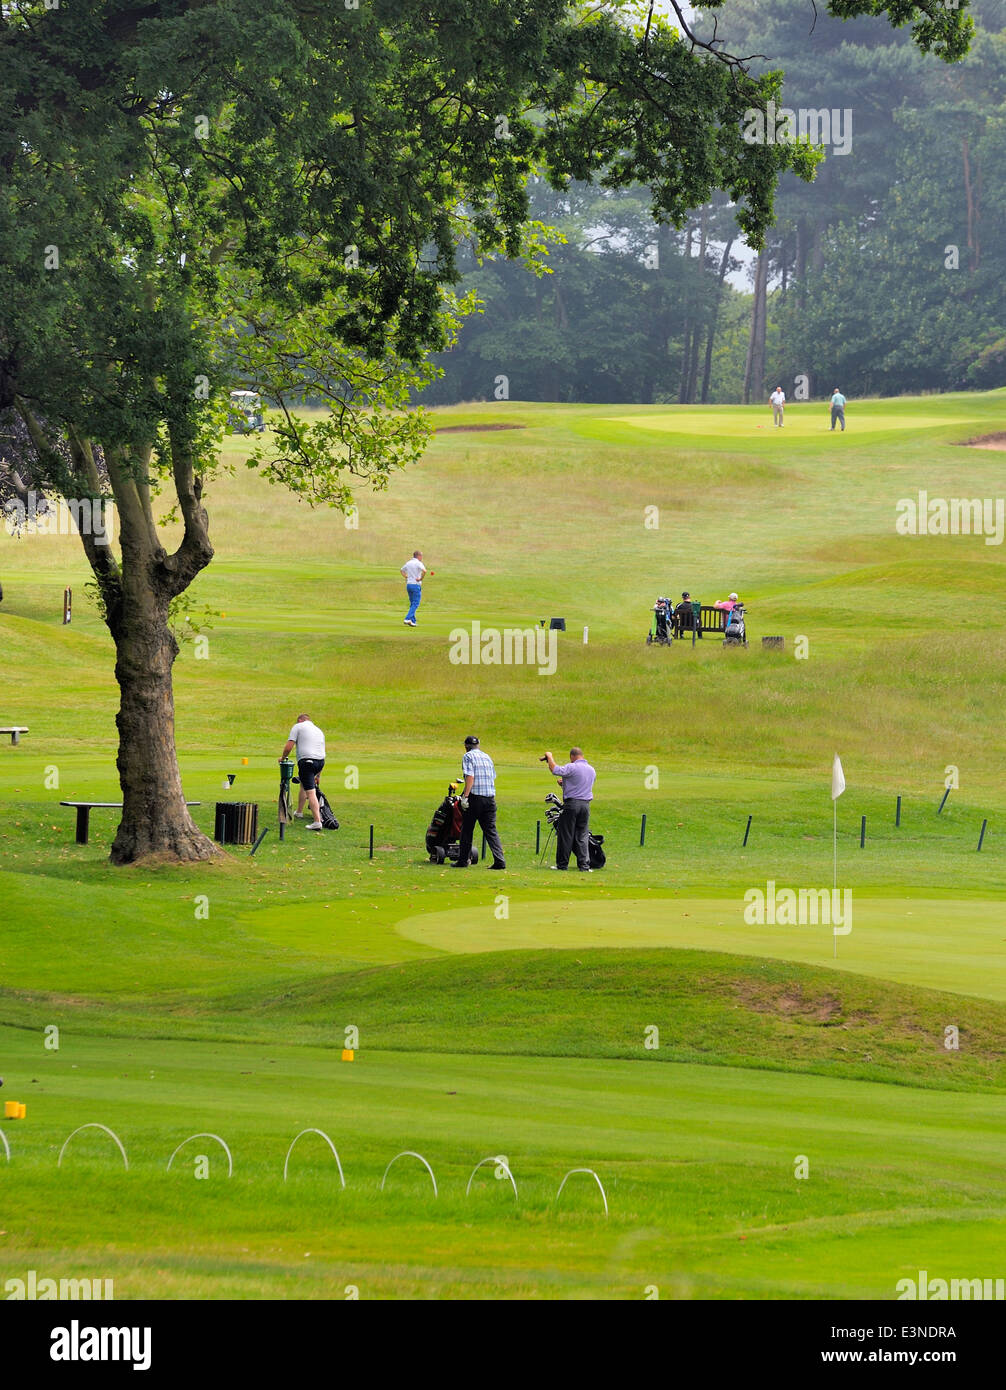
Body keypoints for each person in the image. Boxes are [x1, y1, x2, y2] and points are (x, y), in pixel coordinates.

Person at [454, 735, 506, 869]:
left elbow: (470, 776)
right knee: (490, 830)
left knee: (467, 829)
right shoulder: (487, 757)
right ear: (478, 745)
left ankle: (463, 861)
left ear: (466, 746)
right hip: (490, 799)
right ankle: (500, 861)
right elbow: (492, 777)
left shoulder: (468, 756)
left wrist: (465, 796)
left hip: (475, 798)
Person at [542, 747, 596, 871]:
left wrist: (549, 756)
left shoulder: (572, 767)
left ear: (572, 756)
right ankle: (584, 866)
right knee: (582, 835)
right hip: (585, 806)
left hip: (572, 805)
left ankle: (562, 865)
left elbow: (554, 769)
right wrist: (565, 784)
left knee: (565, 834)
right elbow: (580, 786)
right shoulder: (592, 770)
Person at [280, 713, 325, 830]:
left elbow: (289, 746)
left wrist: (283, 758)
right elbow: (321, 752)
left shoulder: (298, 726)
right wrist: (319, 775)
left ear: (300, 720)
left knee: (311, 792)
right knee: (303, 784)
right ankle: (299, 811)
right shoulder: (318, 730)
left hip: (307, 762)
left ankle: (317, 822)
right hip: (320, 762)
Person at [401, 549, 427, 626]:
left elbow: (401, 570)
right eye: (421, 556)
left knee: (412, 603)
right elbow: (424, 571)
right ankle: (407, 618)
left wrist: (406, 577)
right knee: (416, 603)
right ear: (418, 556)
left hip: (409, 585)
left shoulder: (408, 563)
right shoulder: (418, 563)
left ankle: (413, 621)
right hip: (416, 584)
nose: (422, 557)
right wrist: (421, 579)